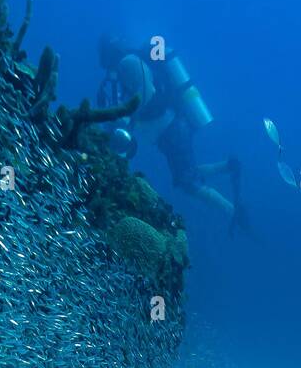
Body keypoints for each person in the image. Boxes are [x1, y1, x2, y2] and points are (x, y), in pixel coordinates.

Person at [98, 35, 251, 235]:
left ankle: (233, 212)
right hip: (170, 129)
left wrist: (129, 121)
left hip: (171, 129)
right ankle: (228, 166)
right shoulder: (127, 65)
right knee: (186, 173)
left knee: (188, 183)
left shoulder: (128, 63)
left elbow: (146, 92)